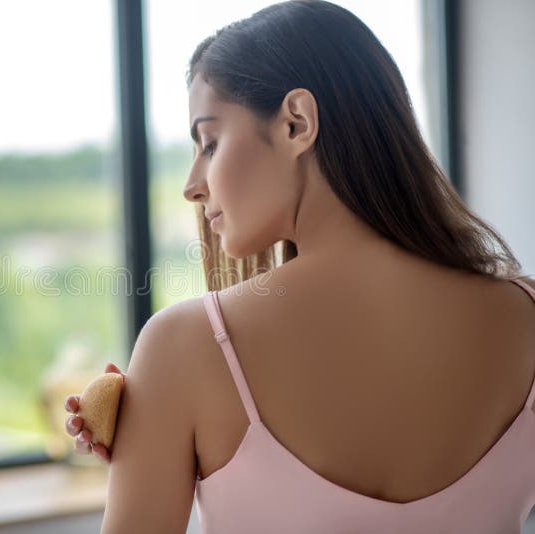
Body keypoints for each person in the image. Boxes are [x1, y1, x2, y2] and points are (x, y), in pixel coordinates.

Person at [65, 0, 535, 532]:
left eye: (211, 142)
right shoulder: (526, 318)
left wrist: (153, 428)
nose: (192, 185)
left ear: (297, 123)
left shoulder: (185, 347)